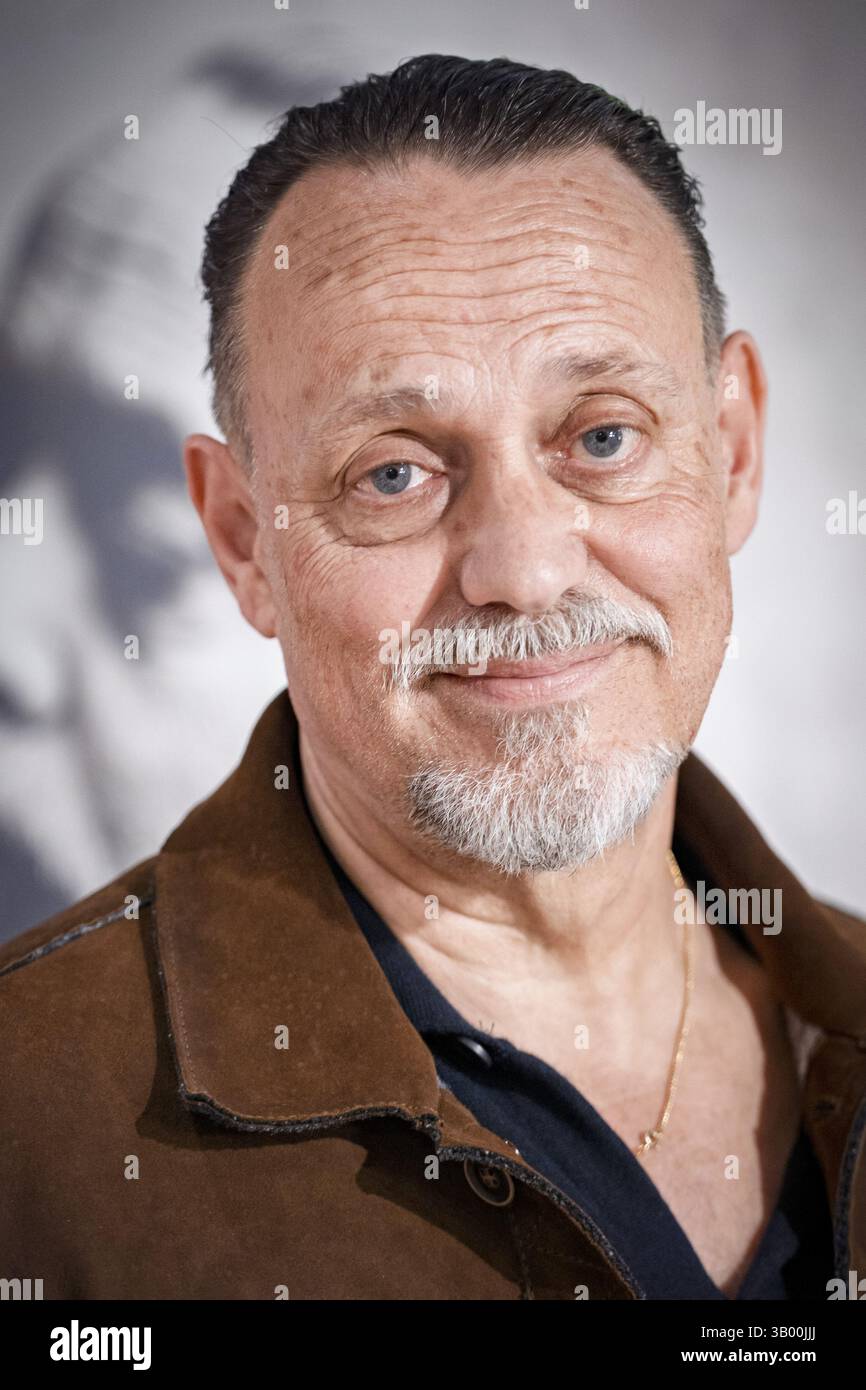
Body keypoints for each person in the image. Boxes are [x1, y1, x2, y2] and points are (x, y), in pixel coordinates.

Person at [2, 54, 864, 1302]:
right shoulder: (30, 1132)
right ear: (244, 540)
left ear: (729, 453)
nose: (520, 568)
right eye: (393, 473)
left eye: (602, 437)